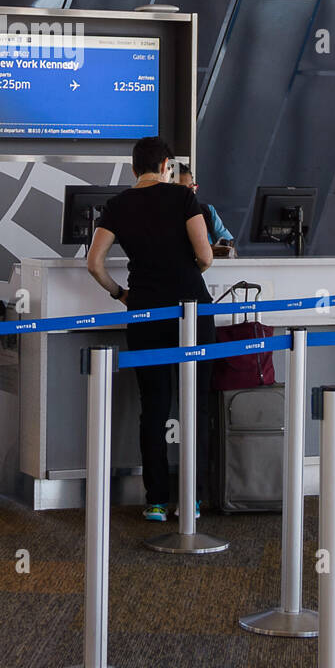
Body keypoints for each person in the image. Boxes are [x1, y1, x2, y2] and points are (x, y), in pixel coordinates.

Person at [86, 137, 216, 521]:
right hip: (190, 310)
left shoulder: (117, 205)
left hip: (144, 311)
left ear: (132, 169)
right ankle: (191, 498)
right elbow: (205, 255)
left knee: (154, 408)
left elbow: (94, 263)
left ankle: (156, 500)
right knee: (197, 406)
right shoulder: (182, 199)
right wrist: (189, 274)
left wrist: (120, 294)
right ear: (166, 166)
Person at [177, 163, 234, 255]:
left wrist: (226, 246)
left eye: (192, 187)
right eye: (183, 190)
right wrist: (207, 250)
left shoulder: (207, 211)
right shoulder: (164, 216)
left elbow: (229, 243)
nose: (190, 194)